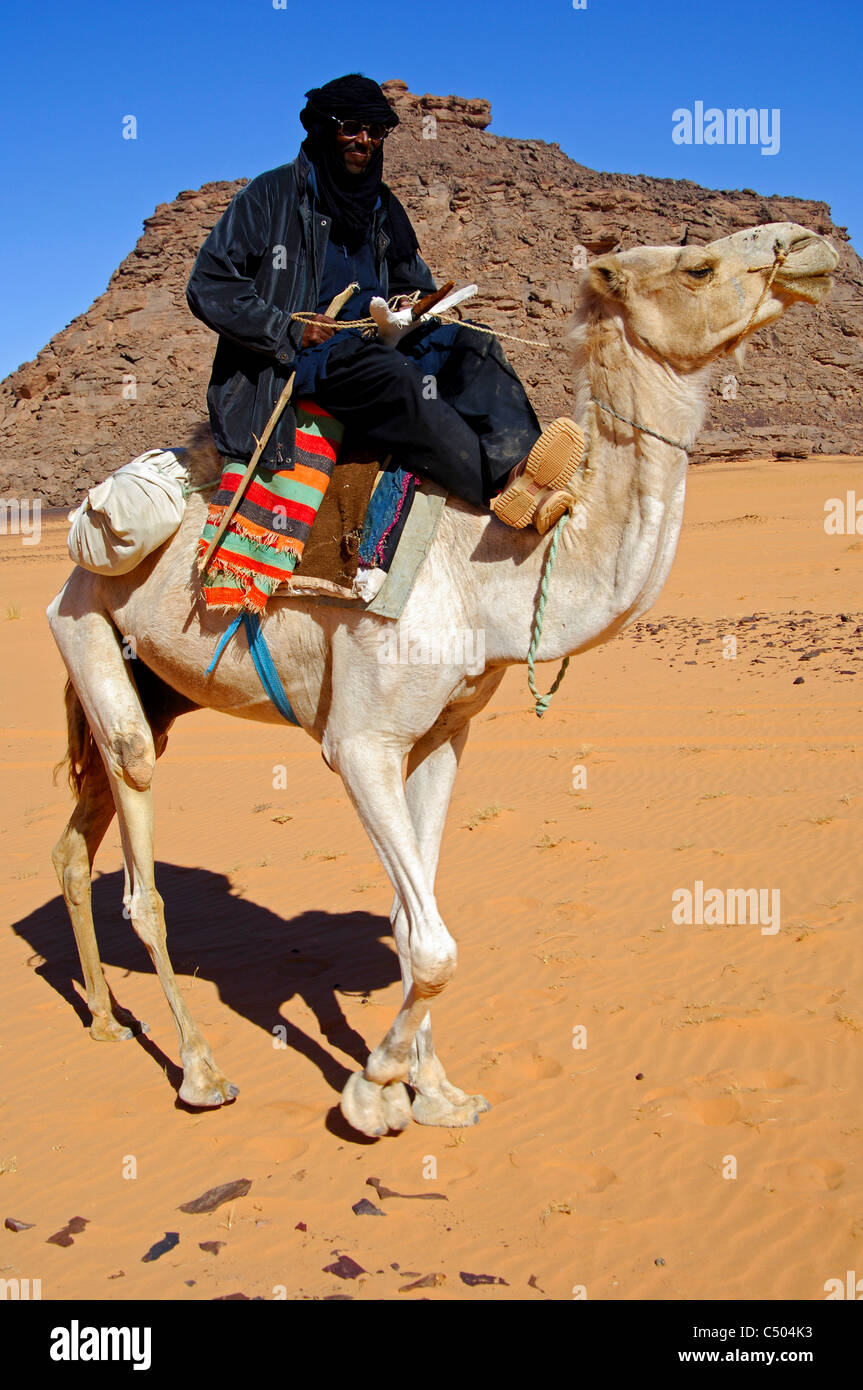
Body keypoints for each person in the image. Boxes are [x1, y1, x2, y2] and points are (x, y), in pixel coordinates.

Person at [186, 73, 581, 534]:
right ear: (322, 129)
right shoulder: (270, 196)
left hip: (379, 342)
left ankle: (521, 470)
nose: (365, 140)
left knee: (473, 344)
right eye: (352, 127)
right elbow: (208, 285)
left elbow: (411, 283)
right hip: (301, 362)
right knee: (394, 379)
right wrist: (288, 330)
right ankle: (496, 494)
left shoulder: (380, 206)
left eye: (376, 131)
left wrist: (415, 308)